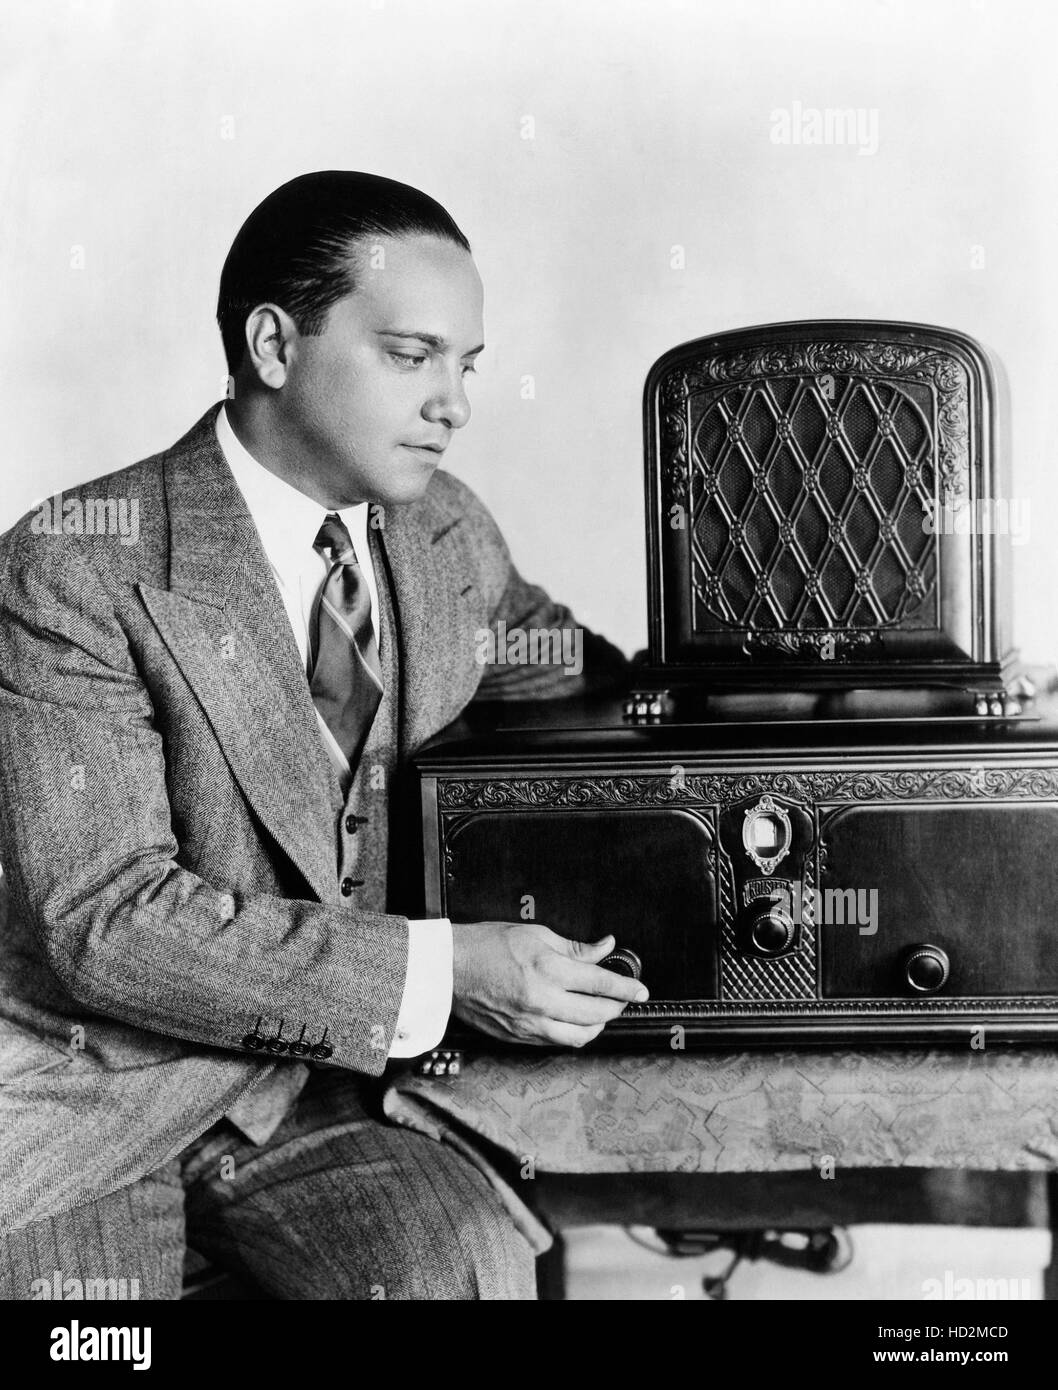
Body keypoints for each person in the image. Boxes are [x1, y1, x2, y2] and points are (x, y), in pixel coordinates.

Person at [0, 171, 646, 1301]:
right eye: (411, 355)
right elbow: (104, 918)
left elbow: (561, 664)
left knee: (465, 1275)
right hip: (96, 1098)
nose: (454, 403)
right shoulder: (72, 566)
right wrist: (442, 974)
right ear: (271, 343)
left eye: (467, 363)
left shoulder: (442, 528)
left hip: (324, 1087)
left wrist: (793, 681)